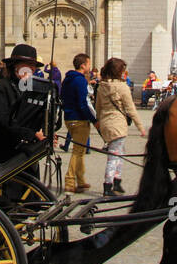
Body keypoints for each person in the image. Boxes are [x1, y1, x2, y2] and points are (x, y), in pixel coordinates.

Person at [0, 45, 46, 164]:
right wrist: (32, 134)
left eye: (33, 66)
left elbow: (34, 116)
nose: (31, 69)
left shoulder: (30, 90)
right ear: (15, 66)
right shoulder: (0, 88)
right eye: (27, 65)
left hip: (22, 155)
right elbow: (2, 121)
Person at [95, 58, 145, 195]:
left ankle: (117, 181)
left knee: (119, 151)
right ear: (118, 71)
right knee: (114, 155)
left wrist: (99, 123)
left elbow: (98, 107)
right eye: (123, 70)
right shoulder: (122, 87)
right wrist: (141, 127)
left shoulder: (101, 86)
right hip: (117, 124)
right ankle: (108, 185)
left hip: (106, 123)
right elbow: (131, 109)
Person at [60, 52, 96, 192]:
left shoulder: (67, 79)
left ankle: (80, 180)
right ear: (83, 65)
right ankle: (70, 182)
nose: (89, 66)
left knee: (79, 151)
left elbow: (62, 96)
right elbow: (83, 103)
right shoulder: (80, 80)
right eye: (88, 63)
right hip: (79, 119)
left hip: (69, 117)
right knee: (77, 151)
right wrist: (94, 120)